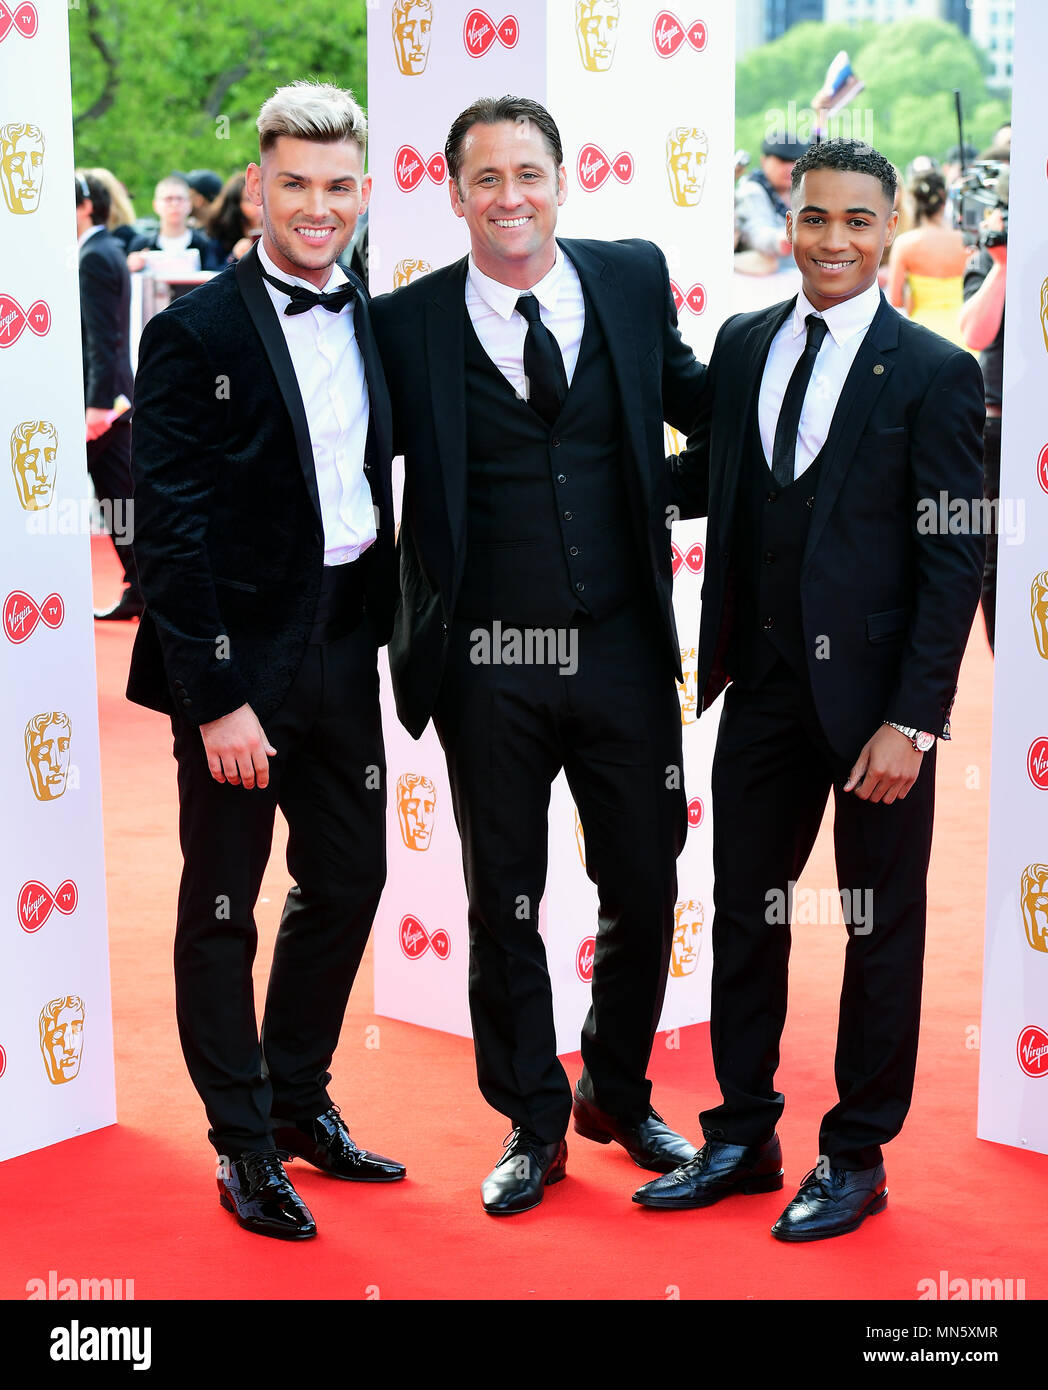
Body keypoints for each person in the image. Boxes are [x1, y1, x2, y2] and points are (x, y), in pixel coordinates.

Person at [634, 138, 985, 1241]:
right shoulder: (741, 344)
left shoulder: (933, 370)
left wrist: (914, 721)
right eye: (815, 217)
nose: (834, 240)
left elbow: (952, 553)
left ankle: (856, 1151)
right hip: (764, 687)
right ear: (786, 222)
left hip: (879, 706)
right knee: (747, 913)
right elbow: (713, 480)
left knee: (876, 929)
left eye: (856, 222)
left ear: (888, 231)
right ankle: (740, 1133)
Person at [371, 95, 703, 1217]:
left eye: (529, 172)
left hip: (618, 648)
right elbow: (342, 464)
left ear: (562, 179)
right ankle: (530, 1119)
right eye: (487, 178)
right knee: (503, 898)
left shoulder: (627, 275)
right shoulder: (404, 323)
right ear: (452, 190)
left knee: (645, 881)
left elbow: (700, 407)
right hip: (485, 662)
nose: (510, 195)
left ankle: (615, 1085)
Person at [127, 80, 401, 1240]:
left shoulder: (379, 316)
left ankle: (297, 1100)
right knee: (226, 905)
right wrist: (220, 697)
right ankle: (242, 1143)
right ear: (257, 187)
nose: (317, 205)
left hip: (348, 638)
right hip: (235, 659)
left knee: (349, 879)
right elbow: (170, 526)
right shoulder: (196, 331)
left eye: (339, 186)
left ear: (364, 192)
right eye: (295, 183)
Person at [76, 172, 141, 620]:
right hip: (113, 398)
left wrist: (98, 405)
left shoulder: (95, 257)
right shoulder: (101, 251)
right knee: (119, 500)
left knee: (120, 500)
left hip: (106, 403)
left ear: (86, 207)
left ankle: (147, 589)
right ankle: (142, 589)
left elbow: (105, 337)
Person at [960, 174, 1008, 652]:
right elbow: (974, 333)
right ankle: (1010, 670)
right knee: (994, 555)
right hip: (997, 425)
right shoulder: (987, 258)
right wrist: (1003, 267)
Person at [887, 168, 968, 343]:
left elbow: (895, 300)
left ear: (914, 200)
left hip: (922, 334)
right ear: (944, 200)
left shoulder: (905, 244)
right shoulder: (965, 240)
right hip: (964, 330)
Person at [734, 137, 807, 276]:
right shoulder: (752, 190)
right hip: (759, 282)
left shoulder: (800, 191)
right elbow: (758, 233)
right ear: (764, 161)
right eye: (782, 161)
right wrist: (786, 239)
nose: (789, 168)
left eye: (794, 162)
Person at [126, 174, 223, 271]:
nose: (174, 204)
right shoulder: (140, 244)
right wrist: (130, 268)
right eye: (168, 199)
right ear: (155, 205)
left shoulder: (205, 244)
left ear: (189, 204)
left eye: (180, 199)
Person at [205, 171, 263, 263]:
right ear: (236, 204)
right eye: (249, 200)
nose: (257, 204)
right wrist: (234, 255)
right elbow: (212, 270)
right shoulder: (221, 233)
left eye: (261, 196)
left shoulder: (278, 230)